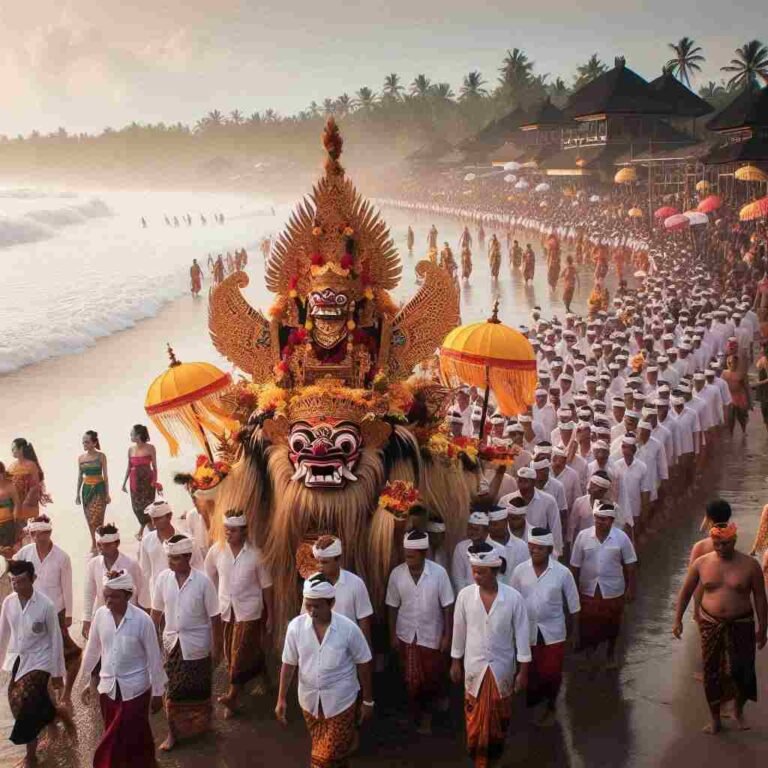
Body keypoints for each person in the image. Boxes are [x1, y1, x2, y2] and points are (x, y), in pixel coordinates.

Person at [673, 522, 767, 734]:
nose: (721, 548)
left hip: (742, 622)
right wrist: (677, 620)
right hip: (711, 623)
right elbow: (685, 592)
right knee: (711, 672)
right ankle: (715, 719)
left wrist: (763, 628)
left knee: (743, 670)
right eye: (717, 544)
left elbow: (761, 598)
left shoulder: (750, 565)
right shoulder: (702, 563)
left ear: (734, 540)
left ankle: (737, 710)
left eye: (725, 544)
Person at [276, 573, 373, 768]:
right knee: (335, 757)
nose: (311, 611)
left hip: (341, 703)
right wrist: (281, 698)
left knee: (323, 758)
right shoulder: (295, 628)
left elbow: (364, 662)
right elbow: (289, 663)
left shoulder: (348, 629)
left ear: (331, 603)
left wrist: (367, 701)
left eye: (317, 606)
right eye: (308, 605)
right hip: (309, 704)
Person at [451, 542, 531, 767]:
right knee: (474, 722)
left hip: (502, 670)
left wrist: (523, 673)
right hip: (474, 669)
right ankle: (478, 760)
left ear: (494, 571)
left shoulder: (514, 599)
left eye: (481, 572)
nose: (476, 577)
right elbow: (459, 632)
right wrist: (455, 662)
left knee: (499, 719)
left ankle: (493, 760)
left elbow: (522, 639)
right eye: (474, 571)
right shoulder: (465, 597)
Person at [81, 569, 167, 768]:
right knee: (118, 737)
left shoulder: (142, 621)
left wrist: (158, 692)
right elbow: (92, 650)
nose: (108, 601)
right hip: (108, 689)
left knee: (130, 736)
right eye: (106, 596)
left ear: (128, 596)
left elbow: (154, 658)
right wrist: (86, 681)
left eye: (114, 597)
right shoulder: (100, 616)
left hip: (136, 691)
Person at [151, 534, 222, 751]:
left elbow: (215, 618)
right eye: (169, 558)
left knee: (200, 691)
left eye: (175, 558)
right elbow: (155, 613)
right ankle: (173, 734)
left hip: (198, 646)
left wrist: (217, 649)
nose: (170, 563)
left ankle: (203, 726)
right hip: (173, 645)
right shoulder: (163, 579)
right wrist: (151, 643)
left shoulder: (203, 582)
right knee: (172, 693)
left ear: (188, 557)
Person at [204, 510, 274, 717]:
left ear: (244, 531)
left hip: (250, 611)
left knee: (239, 653)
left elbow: (267, 586)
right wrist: (210, 604)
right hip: (226, 609)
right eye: (226, 529)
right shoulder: (216, 551)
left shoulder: (255, 555)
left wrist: (271, 615)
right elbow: (208, 577)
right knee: (233, 651)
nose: (228, 533)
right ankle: (263, 674)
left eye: (233, 530)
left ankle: (232, 697)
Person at [386, 530, 454, 734]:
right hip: (406, 635)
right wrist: (392, 634)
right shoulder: (397, 574)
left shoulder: (439, 574)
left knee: (431, 679)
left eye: (412, 555)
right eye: (406, 554)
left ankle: (427, 719)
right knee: (407, 679)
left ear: (424, 553)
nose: (408, 558)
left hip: (431, 636)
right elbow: (392, 607)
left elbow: (447, 606)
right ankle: (412, 715)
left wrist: (447, 635)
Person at [0, 559, 66, 766]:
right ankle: (50, 715)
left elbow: (55, 639)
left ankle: (31, 755)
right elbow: (3, 635)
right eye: (13, 581)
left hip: (40, 661)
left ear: (33, 579)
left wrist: (57, 673)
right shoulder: (8, 602)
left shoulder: (46, 605)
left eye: (21, 581)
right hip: (17, 659)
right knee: (15, 702)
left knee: (26, 701)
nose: (16, 586)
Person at [512, 528, 580, 726]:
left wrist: (575, 632)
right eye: (531, 547)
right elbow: (512, 602)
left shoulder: (562, 573)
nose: (534, 551)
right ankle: (534, 705)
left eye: (539, 548)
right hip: (527, 631)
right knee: (531, 670)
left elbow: (574, 605)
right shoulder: (519, 571)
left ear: (549, 550)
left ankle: (551, 705)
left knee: (552, 672)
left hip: (554, 632)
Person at [16, 516, 81, 704]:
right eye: (37, 534)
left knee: (67, 653)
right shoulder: (24, 554)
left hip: (56, 611)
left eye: (45, 533)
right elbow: (15, 578)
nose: (41, 537)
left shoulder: (62, 557)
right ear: (32, 534)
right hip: (32, 612)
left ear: (50, 533)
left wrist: (69, 614)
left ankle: (65, 693)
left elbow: (67, 587)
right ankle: (45, 694)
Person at [570, 501, 637, 669]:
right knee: (588, 622)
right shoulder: (583, 536)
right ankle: (589, 651)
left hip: (613, 590)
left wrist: (631, 587)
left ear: (612, 520)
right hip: (588, 589)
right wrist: (574, 590)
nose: (600, 522)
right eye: (598, 518)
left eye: (604, 519)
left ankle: (610, 653)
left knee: (613, 622)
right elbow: (575, 565)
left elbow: (630, 564)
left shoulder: (621, 537)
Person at [82, 524, 146, 640]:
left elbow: (142, 592)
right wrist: (86, 619)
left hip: (127, 619)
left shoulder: (131, 564)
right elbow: (89, 593)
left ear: (117, 544)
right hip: (102, 619)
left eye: (106, 545)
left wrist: (144, 619)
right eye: (99, 544)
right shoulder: (93, 564)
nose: (101, 548)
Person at [308, 535, 373, 645]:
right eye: (317, 561)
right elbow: (306, 617)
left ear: (338, 560)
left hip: (348, 647)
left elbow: (364, 621)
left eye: (324, 562)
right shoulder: (311, 583)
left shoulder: (356, 584)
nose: (319, 566)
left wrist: (364, 649)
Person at [139, 500, 203, 601]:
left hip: (184, 594)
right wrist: (144, 601)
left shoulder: (188, 541)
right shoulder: (147, 541)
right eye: (153, 519)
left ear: (169, 516)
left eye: (158, 518)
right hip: (158, 595)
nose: (154, 523)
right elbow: (144, 572)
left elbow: (199, 568)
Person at [121, 424, 158, 540]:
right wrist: (123, 483)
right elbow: (129, 467)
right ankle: (148, 531)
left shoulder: (151, 448)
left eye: (132, 434)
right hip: (134, 482)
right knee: (136, 508)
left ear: (139, 435)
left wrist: (154, 481)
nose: (130, 436)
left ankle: (149, 533)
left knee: (148, 507)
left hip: (148, 481)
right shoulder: (130, 449)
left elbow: (155, 467)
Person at [76, 430, 110, 552]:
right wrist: (77, 494)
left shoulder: (101, 456)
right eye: (83, 442)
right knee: (89, 518)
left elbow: (105, 476)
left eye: (87, 442)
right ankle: (94, 542)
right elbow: (80, 477)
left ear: (94, 443)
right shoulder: (81, 458)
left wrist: (107, 494)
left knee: (99, 518)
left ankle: (101, 541)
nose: (84, 444)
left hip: (99, 489)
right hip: (86, 491)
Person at [8, 438, 48, 538]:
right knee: (18, 535)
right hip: (16, 505)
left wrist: (25, 503)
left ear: (21, 449)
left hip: (29, 505)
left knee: (29, 533)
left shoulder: (31, 465)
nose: (12, 451)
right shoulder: (12, 466)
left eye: (14, 448)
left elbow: (34, 486)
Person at [721, 354, 751, 435]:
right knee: (730, 416)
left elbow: (745, 387)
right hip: (729, 396)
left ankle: (744, 430)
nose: (731, 364)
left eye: (733, 362)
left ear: (737, 363)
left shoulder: (740, 374)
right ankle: (731, 433)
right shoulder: (724, 373)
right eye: (730, 363)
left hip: (739, 396)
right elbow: (721, 386)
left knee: (741, 415)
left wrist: (749, 401)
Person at [0, 461, 21, 556]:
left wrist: (15, 516)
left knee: (8, 549)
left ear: (3, 473)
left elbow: (17, 502)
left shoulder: (10, 486)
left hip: (8, 522)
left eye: (0, 474)